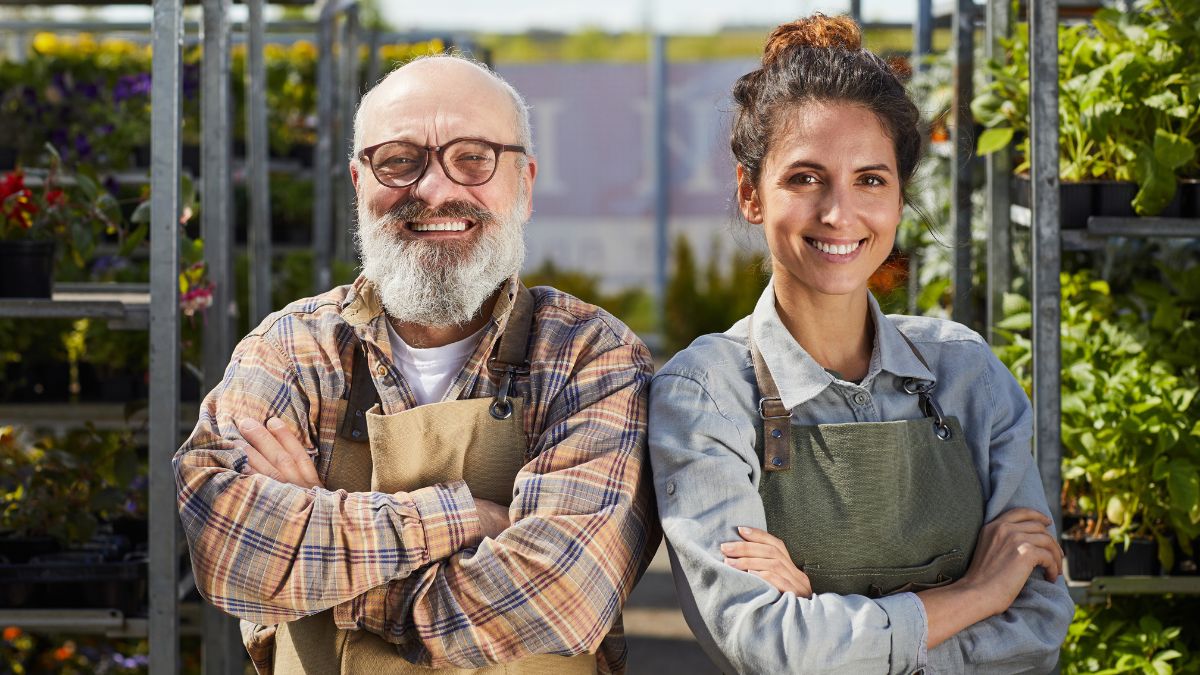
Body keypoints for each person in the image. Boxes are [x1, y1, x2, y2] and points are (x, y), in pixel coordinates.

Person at [174, 53, 658, 675]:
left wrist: (321, 564)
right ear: (358, 183)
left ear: (526, 183)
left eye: (473, 158)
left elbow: (559, 592)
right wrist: (467, 518)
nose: (434, 189)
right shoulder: (293, 348)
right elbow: (228, 547)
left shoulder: (586, 355)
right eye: (399, 160)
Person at [648, 14, 1074, 674]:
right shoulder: (706, 391)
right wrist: (977, 592)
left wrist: (824, 617)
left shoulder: (966, 372)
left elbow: (1038, 628)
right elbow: (766, 644)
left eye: (870, 179)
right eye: (805, 177)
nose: (838, 213)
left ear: (900, 197)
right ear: (750, 194)